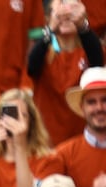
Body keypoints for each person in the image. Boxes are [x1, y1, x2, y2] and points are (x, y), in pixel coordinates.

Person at [25, 1, 102, 148]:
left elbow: (97, 61)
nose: (66, 15)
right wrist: (50, 29)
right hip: (47, 143)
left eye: (73, 10)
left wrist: (82, 26)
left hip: (83, 142)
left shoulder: (89, 52)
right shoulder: (44, 54)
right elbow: (31, 66)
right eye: (59, 11)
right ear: (48, 18)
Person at [58, 67, 106, 187]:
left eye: (104, 100)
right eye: (92, 102)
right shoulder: (64, 154)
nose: (99, 108)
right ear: (82, 108)